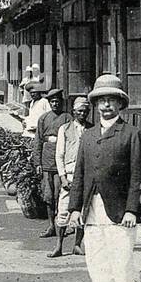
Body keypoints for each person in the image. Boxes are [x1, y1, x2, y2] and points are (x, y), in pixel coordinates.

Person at [67, 73, 141, 282]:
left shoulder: (132, 134)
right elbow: (79, 173)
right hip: (92, 213)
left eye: (111, 101)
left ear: (120, 104)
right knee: (98, 271)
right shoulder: (88, 136)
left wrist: (133, 211)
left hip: (119, 215)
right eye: (101, 101)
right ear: (95, 104)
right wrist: (75, 208)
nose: (106, 106)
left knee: (122, 271)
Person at [50, 96, 91, 258]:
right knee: (63, 211)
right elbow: (59, 155)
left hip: (86, 176)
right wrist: (62, 177)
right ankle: (59, 246)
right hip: (69, 174)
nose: (83, 114)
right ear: (74, 112)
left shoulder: (92, 129)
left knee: (82, 211)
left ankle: (76, 245)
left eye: (85, 111)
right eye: (79, 111)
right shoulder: (64, 129)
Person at [33, 88, 68, 237]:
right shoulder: (43, 118)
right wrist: (38, 163)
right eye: (52, 101)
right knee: (48, 196)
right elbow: (38, 141)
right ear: (49, 103)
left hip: (62, 161)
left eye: (57, 101)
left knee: (59, 195)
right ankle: (50, 226)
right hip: (47, 161)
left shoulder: (67, 118)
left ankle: (62, 226)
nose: (55, 104)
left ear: (61, 103)